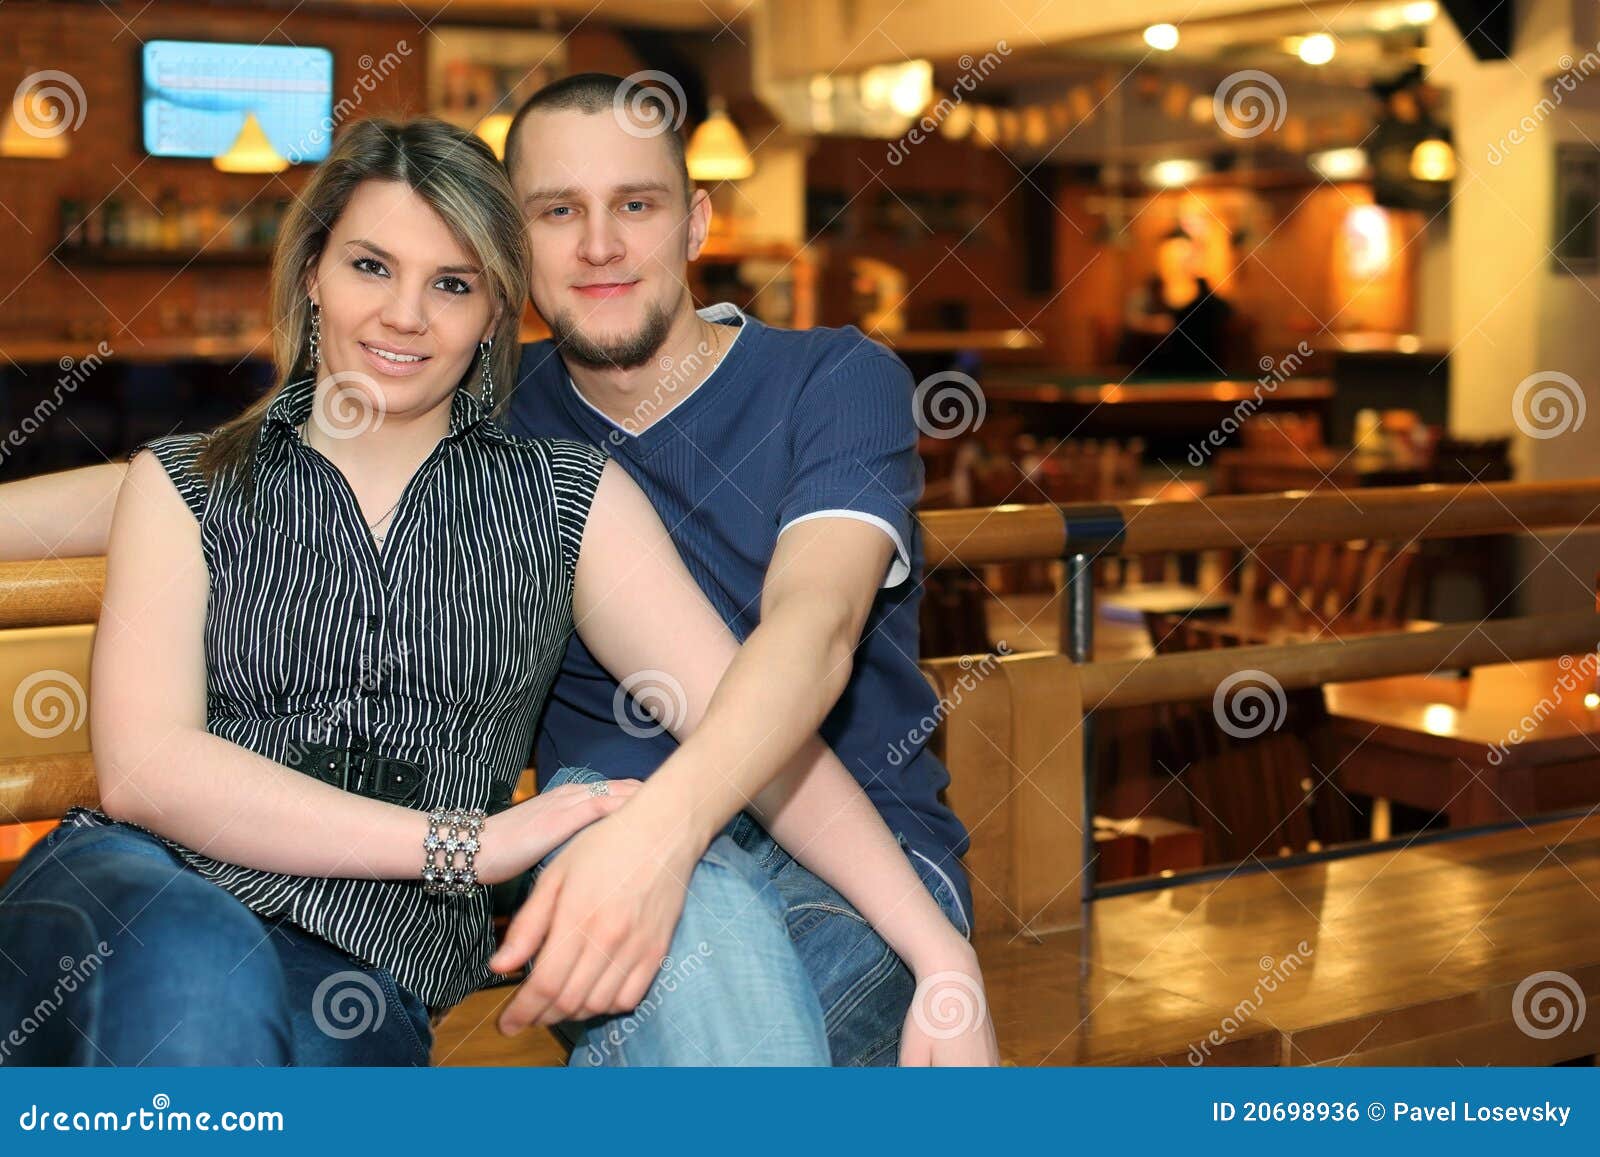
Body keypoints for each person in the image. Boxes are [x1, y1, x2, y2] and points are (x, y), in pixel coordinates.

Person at [0, 75, 998, 1067]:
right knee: (196, 975)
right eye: (368, 266)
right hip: (208, 886)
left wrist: (938, 951)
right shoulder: (230, 468)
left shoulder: (589, 474)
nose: (404, 314)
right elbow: (158, 694)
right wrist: (474, 843)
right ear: (312, 273)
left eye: (451, 282)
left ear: (494, 307)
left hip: (424, 929)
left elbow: (783, 673)